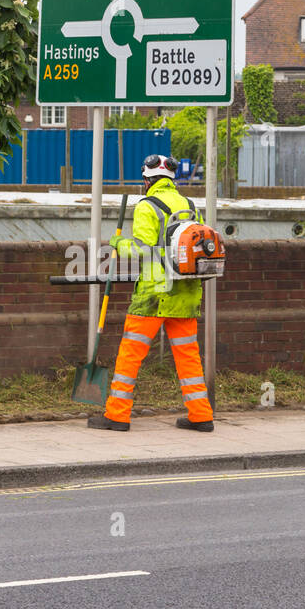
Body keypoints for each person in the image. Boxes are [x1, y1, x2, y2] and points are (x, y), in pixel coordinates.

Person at [87, 153, 214, 433]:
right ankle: (201, 415)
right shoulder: (190, 205)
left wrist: (119, 242)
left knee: (130, 355)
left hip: (154, 295)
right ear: (171, 179)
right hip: (187, 292)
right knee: (188, 356)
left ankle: (117, 415)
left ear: (146, 180)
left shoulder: (147, 206)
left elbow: (140, 250)